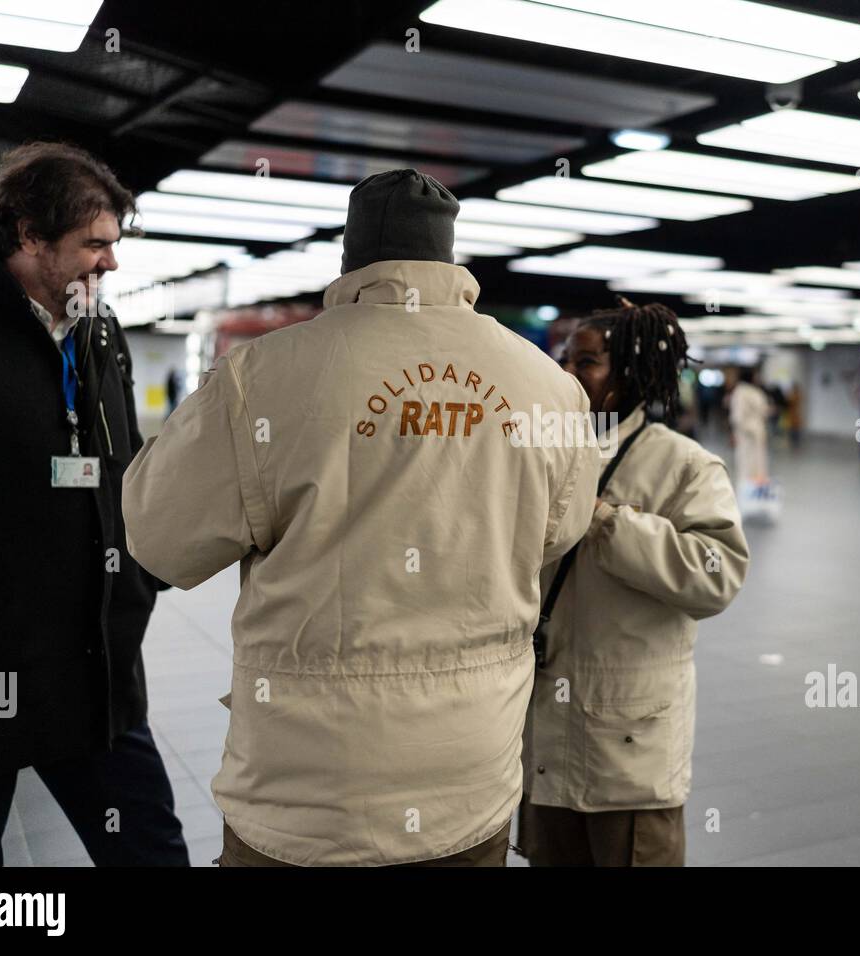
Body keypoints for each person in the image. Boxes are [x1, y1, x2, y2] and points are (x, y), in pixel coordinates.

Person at [122, 169, 599, 867]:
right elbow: (558, 533)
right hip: (468, 788)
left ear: (350, 259)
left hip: (306, 803)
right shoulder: (548, 388)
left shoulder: (263, 375)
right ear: (448, 256)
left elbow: (156, 536)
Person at [0, 143, 186, 866]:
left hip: (93, 669)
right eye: (94, 243)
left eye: (114, 244)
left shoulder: (101, 333)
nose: (111, 262)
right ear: (29, 234)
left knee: (152, 851)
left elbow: (122, 472)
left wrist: (137, 582)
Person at [518, 299, 749, 866]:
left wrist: (605, 520)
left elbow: (716, 575)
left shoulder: (685, 466)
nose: (567, 373)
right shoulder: (541, 452)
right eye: (566, 359)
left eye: (588, 361)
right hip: (542, 736)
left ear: (631, 374)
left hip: (629, 747)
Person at [728, 365, 773, 484]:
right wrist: (746, 430)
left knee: (757, 462)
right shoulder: (741, 392)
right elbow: (737, 416)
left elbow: (762, 410)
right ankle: (747, 491)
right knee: (746, 462)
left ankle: (757, 488)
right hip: (746, 434)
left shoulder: (753, 391)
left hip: (756, 433)